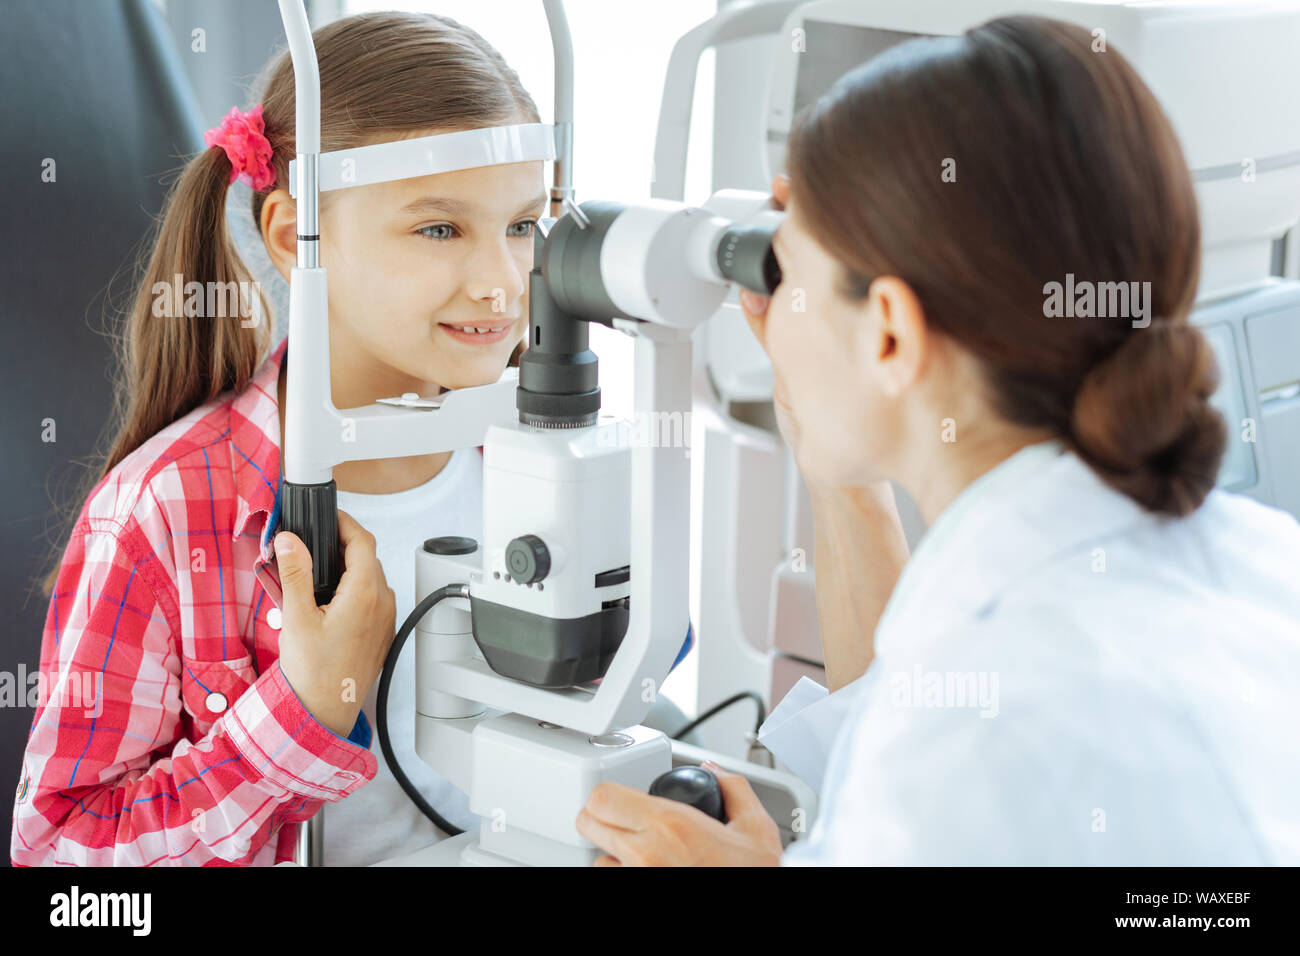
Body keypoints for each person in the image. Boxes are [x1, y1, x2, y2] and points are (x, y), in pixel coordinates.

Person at [575, 15, 1300, 866]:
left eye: (787, 267)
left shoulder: (974, 745)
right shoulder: (1257, 560)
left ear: (889, 333)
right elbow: (893, 718)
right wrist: (829, 427)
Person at [14, 10, 547, 866]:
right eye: (440, 228)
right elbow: (59, 867)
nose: (501, 283)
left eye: (522, 225)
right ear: (293, 240)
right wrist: (300, 714)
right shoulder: (168, 510)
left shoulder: (538, 456)